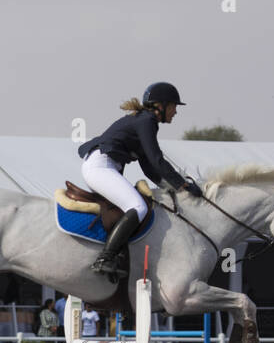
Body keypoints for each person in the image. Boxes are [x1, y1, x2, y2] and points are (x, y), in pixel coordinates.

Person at [76, 82, 202, 279]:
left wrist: (173, 188)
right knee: (138, 207)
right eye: (174, 106)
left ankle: (116, 256)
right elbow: (157, 159)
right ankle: (105, 258)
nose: (176, 112)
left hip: (103, 166)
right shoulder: (146, 122)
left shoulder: (144, 121)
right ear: (161, 105)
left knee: (132, 207)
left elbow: (149, 167)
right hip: (101, 166)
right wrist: (182, 184)